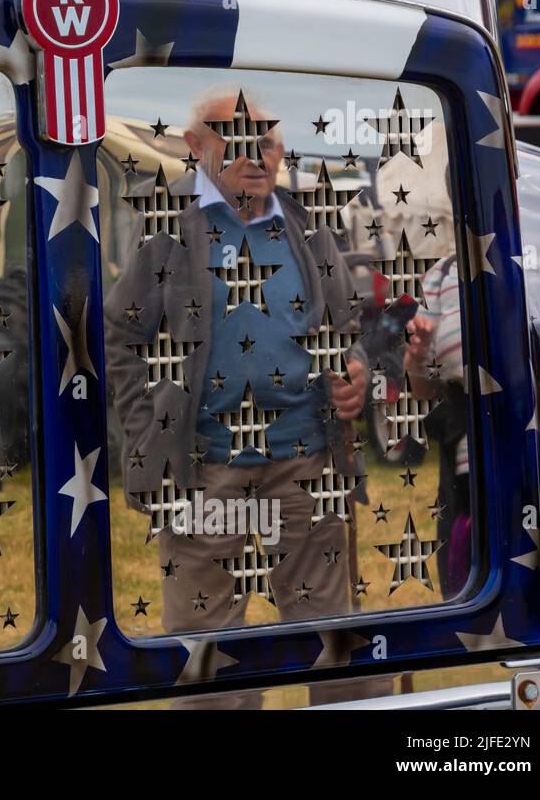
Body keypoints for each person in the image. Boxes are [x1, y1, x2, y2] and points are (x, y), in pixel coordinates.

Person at [106, 90, 365, 632]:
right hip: (203, 469)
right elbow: (121, 337)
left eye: (267, 143)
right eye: (239, 142)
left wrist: (355, 375)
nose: (256, 155)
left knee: (333, 638)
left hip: (305, 465)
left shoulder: (307, 224)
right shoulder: (165, 222)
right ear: (196, 146)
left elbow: (349, 330)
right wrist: (149, 429)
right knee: (206, 651)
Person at [402, 254, 469, 596]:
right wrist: (419, 349)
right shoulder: (440, 275)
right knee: (465, 581)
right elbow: (423, 388)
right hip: (468, 463)